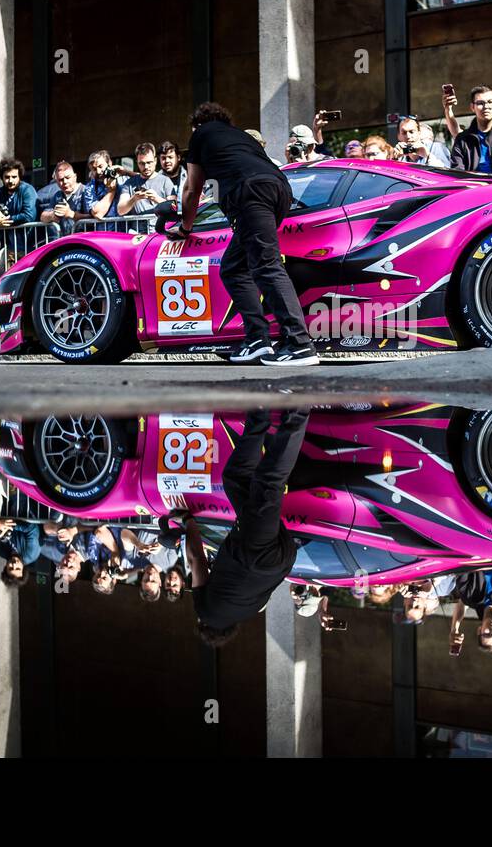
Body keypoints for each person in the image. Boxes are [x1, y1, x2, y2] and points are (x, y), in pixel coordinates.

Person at [175, 101, 319, 366]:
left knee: (266, 265)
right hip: (278, 190)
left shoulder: (201, 135)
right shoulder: (239, 136)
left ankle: (299, 344)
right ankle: (257, 340)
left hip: (252, 192)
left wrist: (185, 227)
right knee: (233, 267)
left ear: (197, 125)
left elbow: (192, 188)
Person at [187, 408, 310, 646]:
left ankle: (260, 414)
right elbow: (196, 560)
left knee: (236, 479)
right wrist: (188, 522)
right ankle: (298, 410)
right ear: (202, 624)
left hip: (282, 559)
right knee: (268, 482)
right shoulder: (205, 610)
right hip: (255, 552)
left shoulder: (244, 614)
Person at [121, 143, 177, 215]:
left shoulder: (165, 181)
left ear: (155, 161)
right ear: (137, 163)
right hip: (138, 226)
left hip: (160, 225)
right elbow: (120, 211)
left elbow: (174, 208)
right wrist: (134, 199)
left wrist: (156, 198)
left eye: (149, 162)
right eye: (142, 163)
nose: (146, 166)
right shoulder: (129, 183)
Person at [35, 160, 88, 234]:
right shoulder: (58, 195)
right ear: (56, 181)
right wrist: (53, 215)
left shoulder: (85, 191)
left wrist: (71, 214)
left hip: (85, 240)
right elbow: (43, 217)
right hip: (65, 241)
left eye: (67, 177)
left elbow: (94, 217)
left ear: (75, 177)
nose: (65, 182)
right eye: (61, 180)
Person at [0, 157, 39, 230]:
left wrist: (6, 220)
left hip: (28, 239)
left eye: (14, 177)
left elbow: (29, 215)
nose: (10, 180)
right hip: (6, 240)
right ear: (2, 177)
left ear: (19, 177)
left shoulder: (27, 190)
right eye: (7, 177)